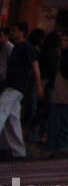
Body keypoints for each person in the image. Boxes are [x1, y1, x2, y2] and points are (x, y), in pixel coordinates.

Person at [0, 22, 42, 160]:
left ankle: (18, 150)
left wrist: (38, 86)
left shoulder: (26, 47)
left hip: (16, 86)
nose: (11, 33)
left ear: (22, 32)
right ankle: (19, 151)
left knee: (2, 110)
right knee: (13, 118)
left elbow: (35, 67)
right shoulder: (17, 47)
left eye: (14, 30)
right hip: (14, 85)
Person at [46, 33, 68, 158]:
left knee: (65, 118)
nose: (63, 43)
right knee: (54, 119)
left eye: (66, 40)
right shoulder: (56, 55)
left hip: (67, 88)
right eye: (61, 40)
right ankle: (52, 147)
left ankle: (63, 146)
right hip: (56, 88)